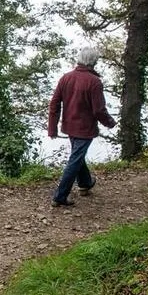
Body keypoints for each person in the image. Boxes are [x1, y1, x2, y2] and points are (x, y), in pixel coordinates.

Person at [47, 45, 117, 207]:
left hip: (70, 126)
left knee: (77, 155)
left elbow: (54, 104)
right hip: (84, 129)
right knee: (75, 158)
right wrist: (110, 123)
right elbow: (99, 110)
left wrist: (53, 127)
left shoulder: (66, 78)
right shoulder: (94, 82)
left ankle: (85, 183)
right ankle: (60, 196)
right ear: (94, 62)